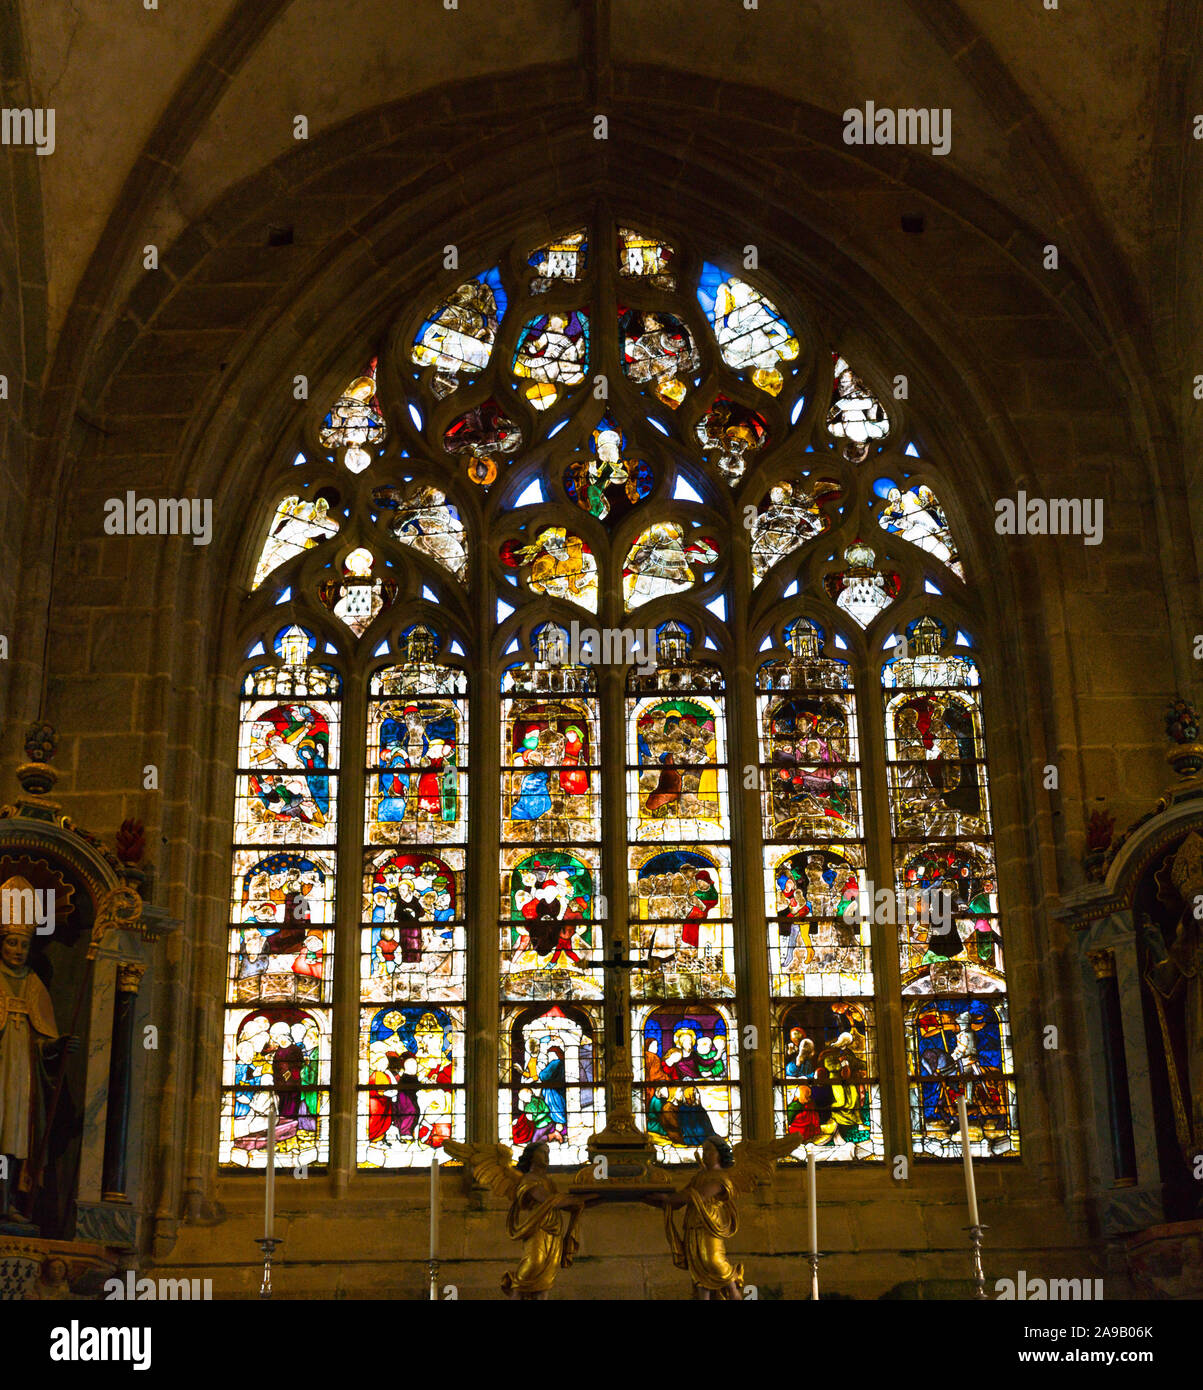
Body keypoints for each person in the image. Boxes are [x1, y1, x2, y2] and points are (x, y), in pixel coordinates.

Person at [0, 890, 77, 1220]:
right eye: (12, 943)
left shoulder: (33, 985)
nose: (18, 951)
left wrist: (57, 1046)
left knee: (16, 1136)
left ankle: (8, 1203)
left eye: (23, 945)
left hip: (21, 1077)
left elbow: (43, 1041)